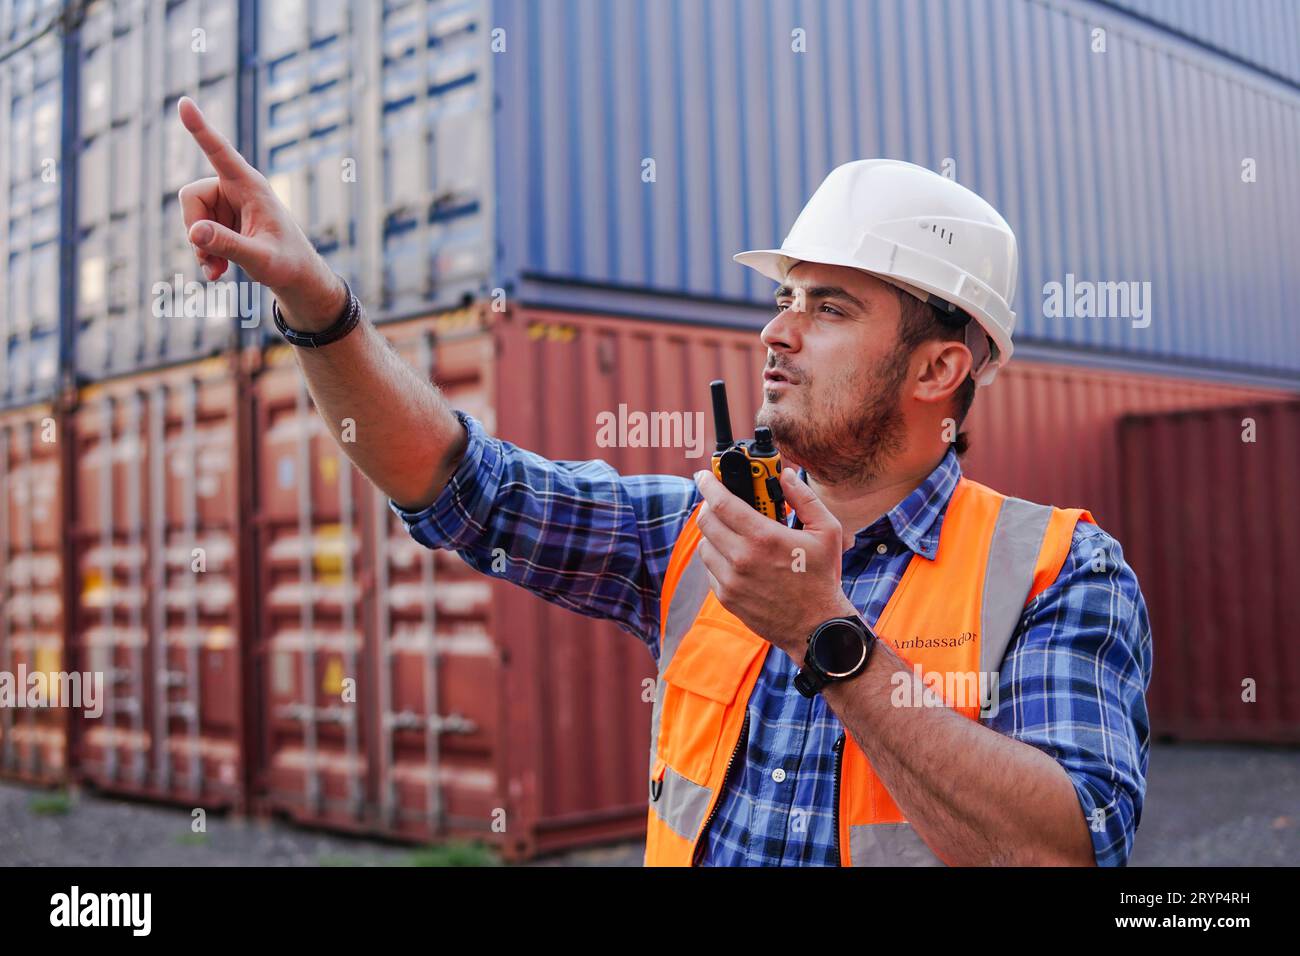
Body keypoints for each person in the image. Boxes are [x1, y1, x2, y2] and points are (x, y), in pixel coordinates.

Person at [176, 96, 1152, 867]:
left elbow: (1062, 844)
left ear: (938, 370)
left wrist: (827, 635)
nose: (776, 331)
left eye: (828, 306)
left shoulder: (1058, 570)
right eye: (781, 298)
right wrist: (315, 299)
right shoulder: (701, 530)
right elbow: (466, 487)